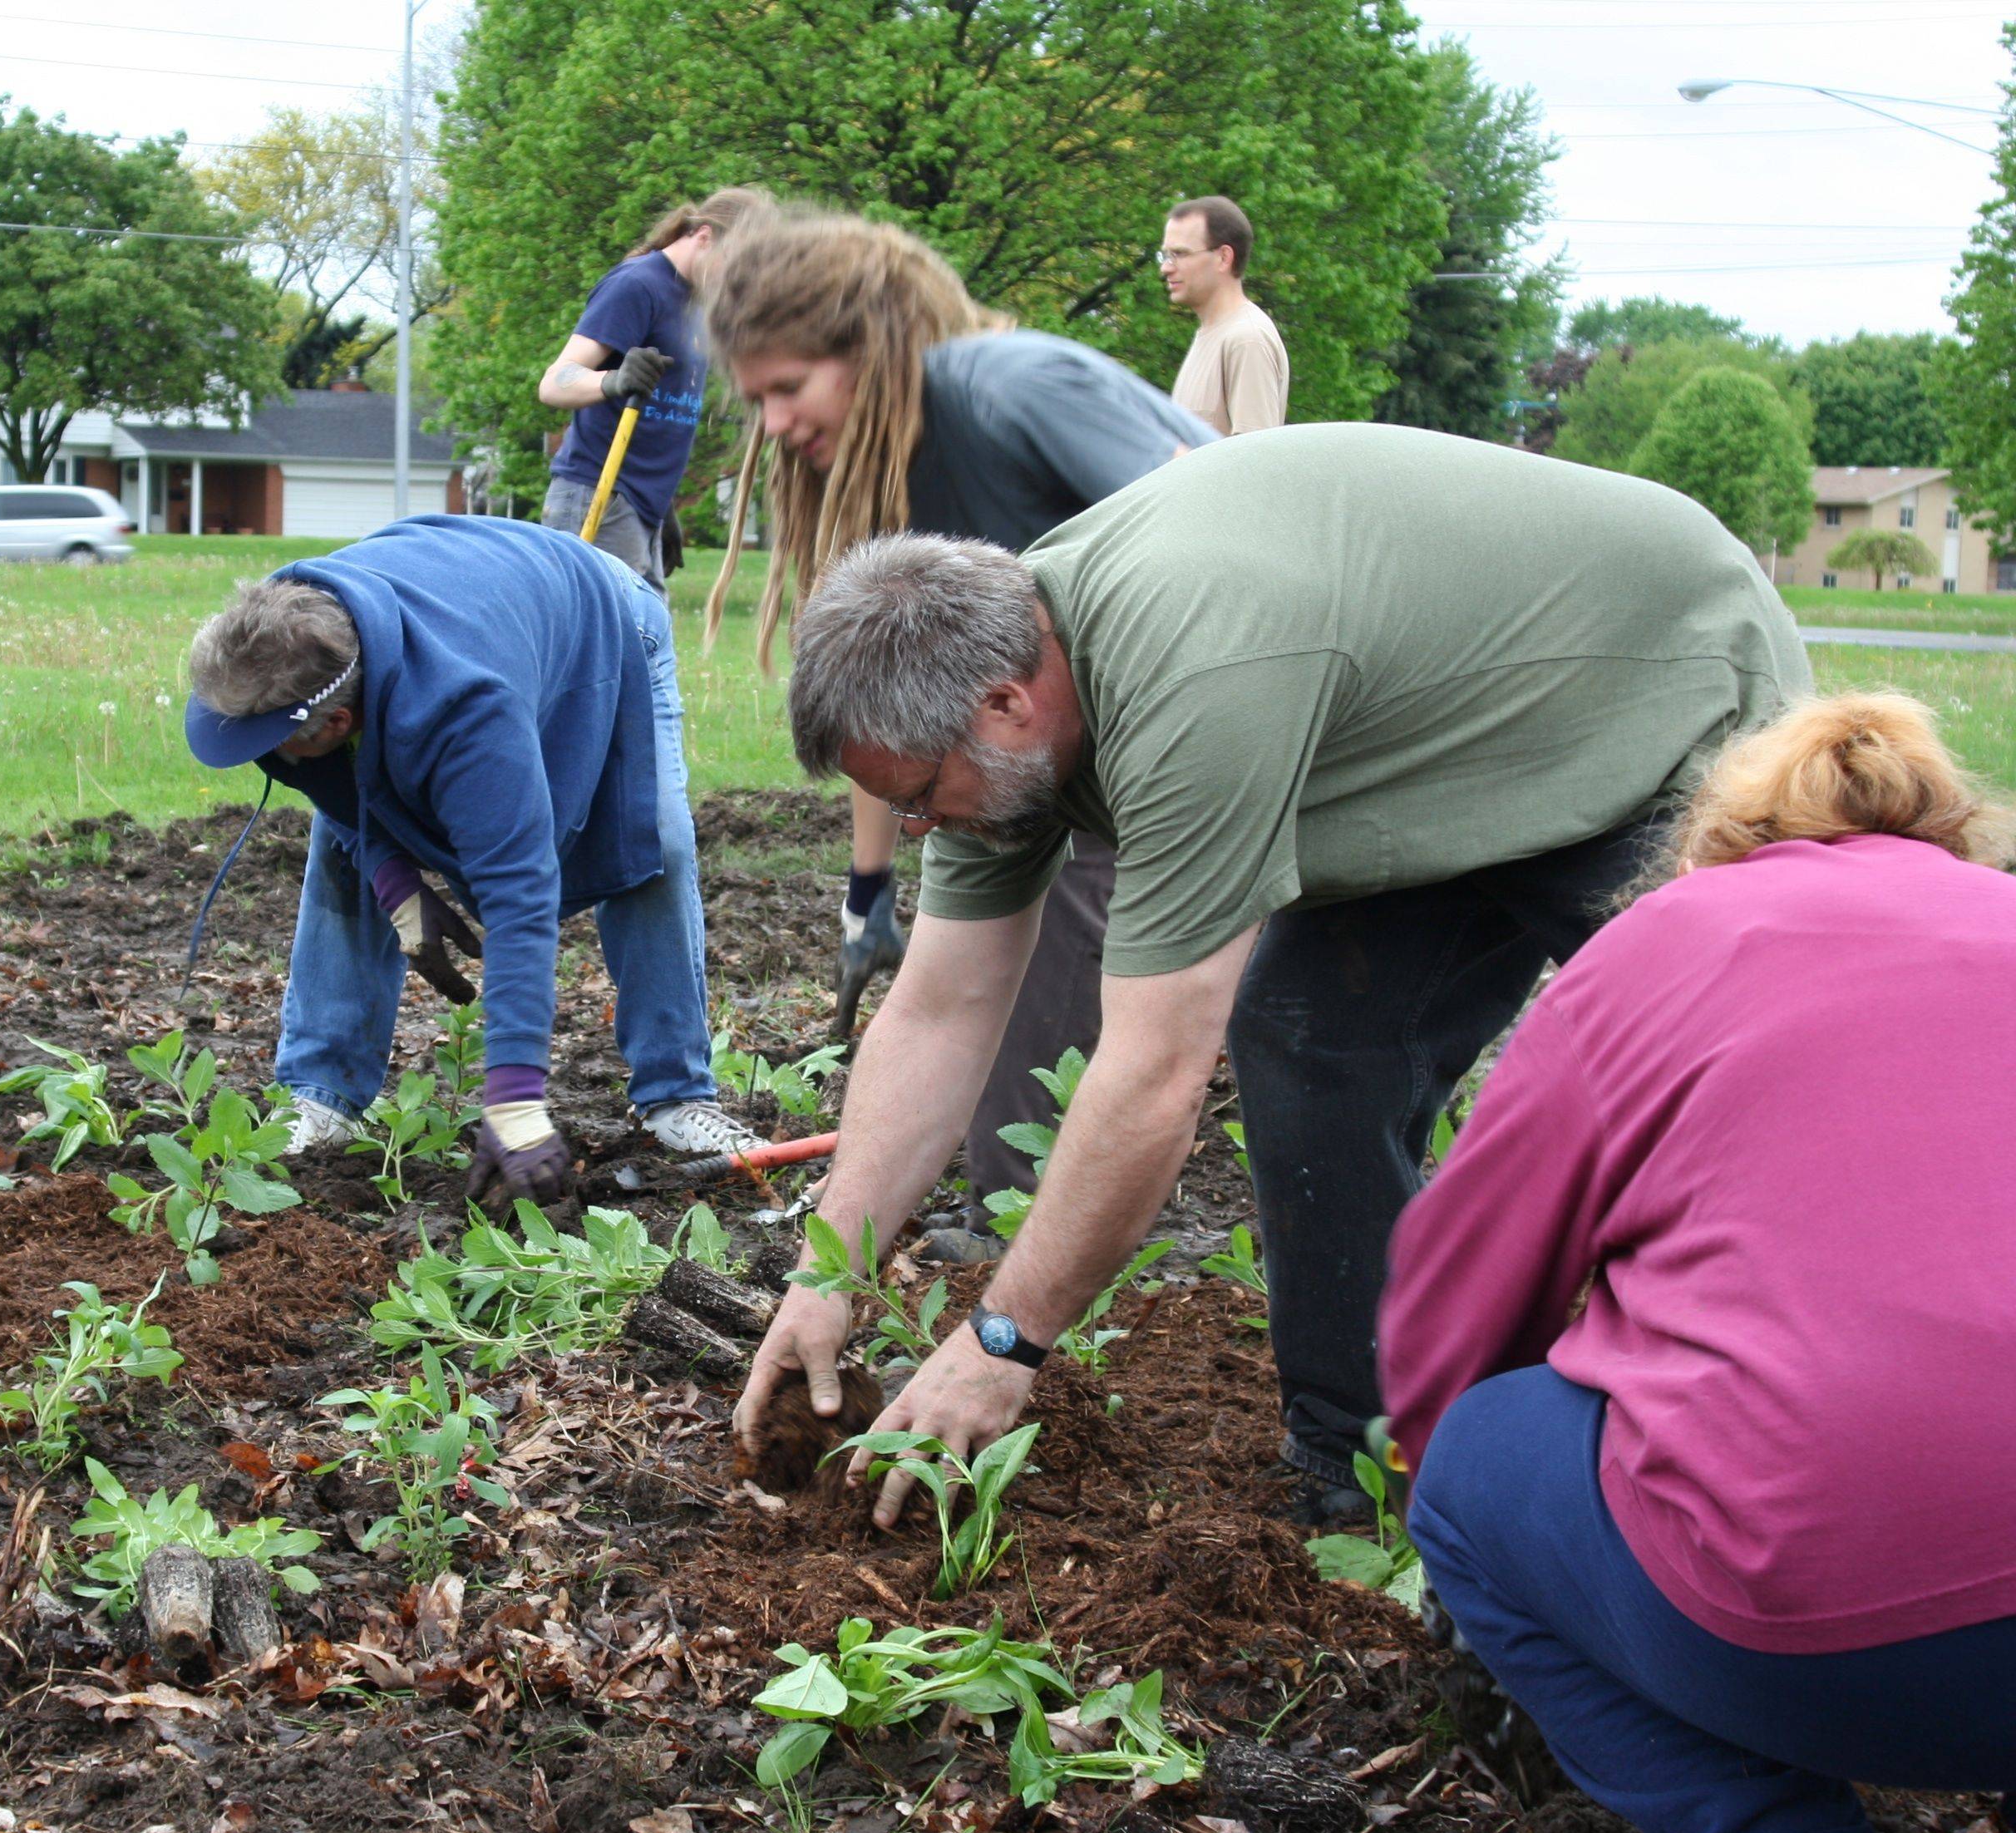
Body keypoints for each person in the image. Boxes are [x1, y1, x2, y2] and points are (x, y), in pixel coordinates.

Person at [732, 423, 1810, 1528]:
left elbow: (1154, 1072)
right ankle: (1366, 1470)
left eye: (919, 797)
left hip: (1654, 692)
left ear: (1007, 707)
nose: (917, 827)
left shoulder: (1192, 679)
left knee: (1700, 1099)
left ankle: (1748, 1471)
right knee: (1309, 1043)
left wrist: (1004, 1340)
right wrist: (831, 1270)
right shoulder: (995, 700)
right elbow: (943, 1004)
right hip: (1431, 743)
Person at [1383, 693, 2016, 1833]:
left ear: (1722, 842)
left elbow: (1458, 1298)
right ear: (1952, 836)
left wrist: (1439, 1469)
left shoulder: (1668, 942)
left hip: (1832, 1639)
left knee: (1471, 1466)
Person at [700, 204, 1211, 1200]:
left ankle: (1010, 1221)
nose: (776, 424)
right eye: (755, 399)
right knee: (964, 964)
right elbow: (892, 718)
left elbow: (1210, 531)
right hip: (1049, 747)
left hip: (1179, 733)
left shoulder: (1017, 389)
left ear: (872, 347)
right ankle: (997, 1204)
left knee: (1085, 928)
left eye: (790, 387)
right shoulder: (903, 460)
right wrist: (868, 883)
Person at [181, 515, 764, 1200]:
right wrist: (395, 884)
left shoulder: (463, 710)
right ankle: (321, 1093)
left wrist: (515, 1101)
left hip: (605, 620)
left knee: (651, 838)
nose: (260, 758)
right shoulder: (289, 632)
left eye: (266, 743)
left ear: (338, 721)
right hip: (481, 598)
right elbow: (340, 790)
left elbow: (521, 898)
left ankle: (677, 1096)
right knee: (336, 850)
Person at [537, 189, 768, 586]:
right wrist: (614, 379)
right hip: (599, 495)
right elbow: (554, 383)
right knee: (616, 643)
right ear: (705, 237)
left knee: (649, 643)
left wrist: (663, 507)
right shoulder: (638, 285)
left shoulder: (697, 301)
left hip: (645, 506)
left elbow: (665, 411)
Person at [1160, 196, 1287, 437]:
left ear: (1223, 258)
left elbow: (1255, 460)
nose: (1165, 267)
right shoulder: (1211, 335)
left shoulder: (1247, 339)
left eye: (1180, 254)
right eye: (1166, 255)